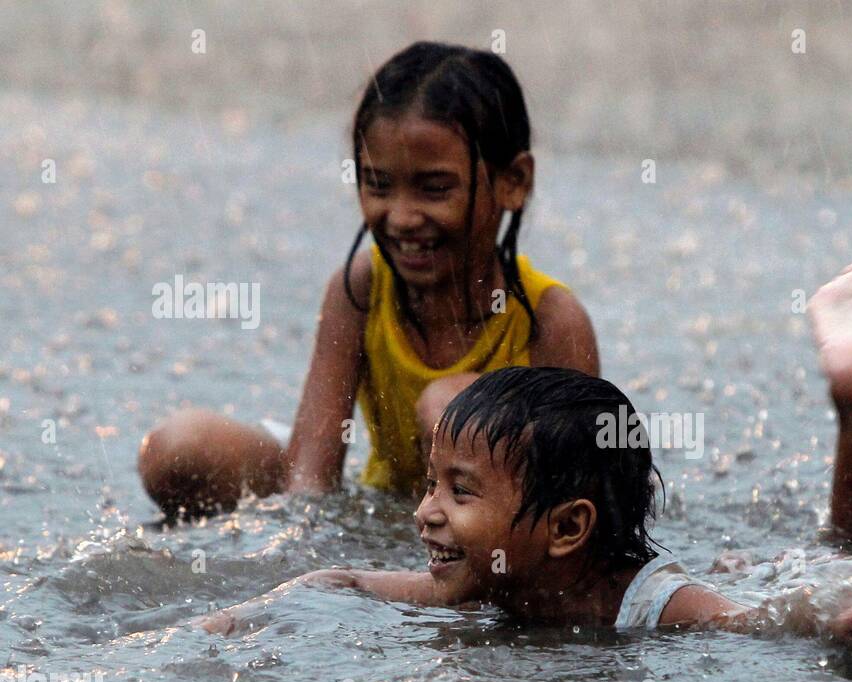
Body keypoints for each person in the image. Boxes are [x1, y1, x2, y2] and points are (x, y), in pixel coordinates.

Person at [200, 227, 852, 661]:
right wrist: (249, 613)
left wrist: (851, 625)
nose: (423, 514)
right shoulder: (494, 573)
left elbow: (761, 621)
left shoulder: (653, 609)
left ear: (567, 530)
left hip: (850, 586)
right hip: (795, 562)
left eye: (455, 491)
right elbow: (345, 586)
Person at [138, 42, 598, 518]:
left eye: (434, 188)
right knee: (176, 450)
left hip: (491, 529)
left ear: (514, 181)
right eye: (378, 185)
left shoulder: (551, 322)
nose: (400, 218)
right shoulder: (360, 289)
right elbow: (310, 482)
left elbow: (584, 505)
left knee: (449, 407)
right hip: (385, 506)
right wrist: (300, 573)